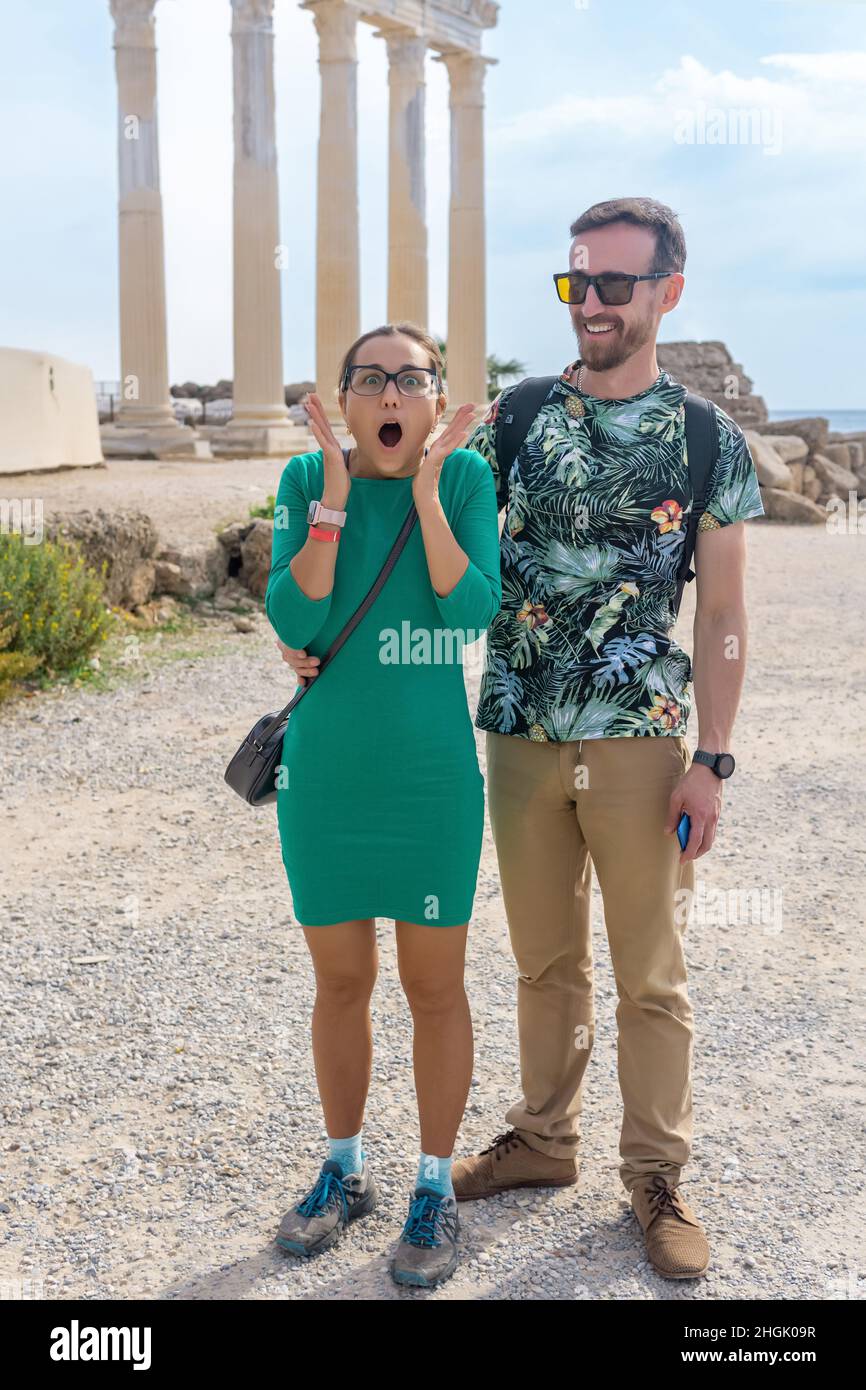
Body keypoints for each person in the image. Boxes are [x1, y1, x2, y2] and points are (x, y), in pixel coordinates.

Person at [281, 199, 765, 1282]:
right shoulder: (513, 418)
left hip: (640, 734)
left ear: (665, 293)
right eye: (574, 283)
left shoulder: (706, 439)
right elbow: (409, 538)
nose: (589, 304)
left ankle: (655, 1178)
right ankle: (543, 1141)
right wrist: (316, 646)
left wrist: (713, 756)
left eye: (612, 286)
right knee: (543, 964)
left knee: (649, 974)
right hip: (513, 730)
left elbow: (725, 612)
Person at [265, 322, 501, 1288]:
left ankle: (435, 1186)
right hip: (325, 778)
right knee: (341, 984)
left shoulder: (467, 482)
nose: (392, 395)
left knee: (435, 989)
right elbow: (297, 617)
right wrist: (329, 491)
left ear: (435, 401)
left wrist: (428, 494)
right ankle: (343, 1168)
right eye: (372, 380)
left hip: (431, 781)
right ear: (347, 402)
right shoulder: (301, 482)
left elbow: (471, 609)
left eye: (413, 379)